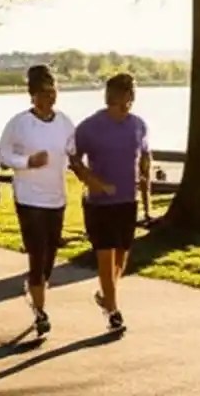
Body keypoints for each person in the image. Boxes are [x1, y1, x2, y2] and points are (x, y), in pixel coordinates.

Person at [0, 65, 79, 338]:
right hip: (29, 199)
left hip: (56, 198)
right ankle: (41, 312)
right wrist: (27, 162)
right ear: (32, 95)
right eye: (43, 92)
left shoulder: (65, 121)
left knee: (49, 259)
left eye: (53, 91)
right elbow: (2, 155)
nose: (50, 97)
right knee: (37, 253)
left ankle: (36, 287)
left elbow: (76, 152)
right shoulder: (20, 123)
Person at [71, 73, 149, 333]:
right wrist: (90, 180)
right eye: (124, 93)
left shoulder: (138, 125)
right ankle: (113, 312)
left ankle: (107, 296)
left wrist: (146, 177)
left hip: (128, 200)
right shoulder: (90, 126)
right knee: (105, 256)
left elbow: (145, 154)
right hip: (99, 204)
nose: (126, 99)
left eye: (128, 93)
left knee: (121, 259)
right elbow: (73, 157)